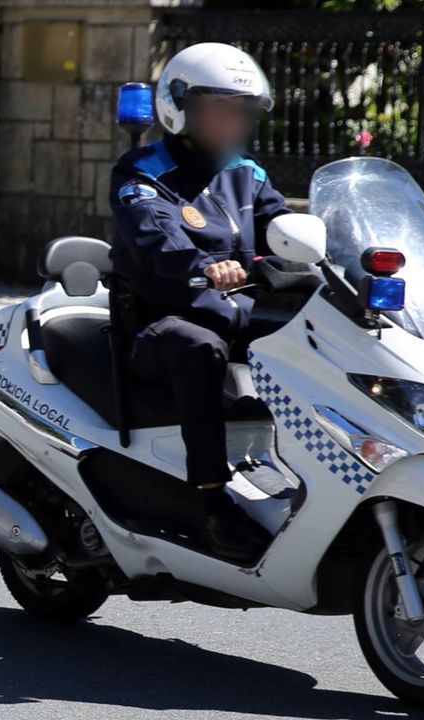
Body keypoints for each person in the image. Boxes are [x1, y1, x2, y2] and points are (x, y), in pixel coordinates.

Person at [108, 43, 290, 562]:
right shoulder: (141, 173)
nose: (232, 122)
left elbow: (282, 225)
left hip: (238, 314)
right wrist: (202, 266)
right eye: (220, 109)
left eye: (241, 112)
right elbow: (155, 239)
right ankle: (211, 501)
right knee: (199, 347)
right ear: (179, 105)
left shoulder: (246, 173)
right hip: (156, 327)